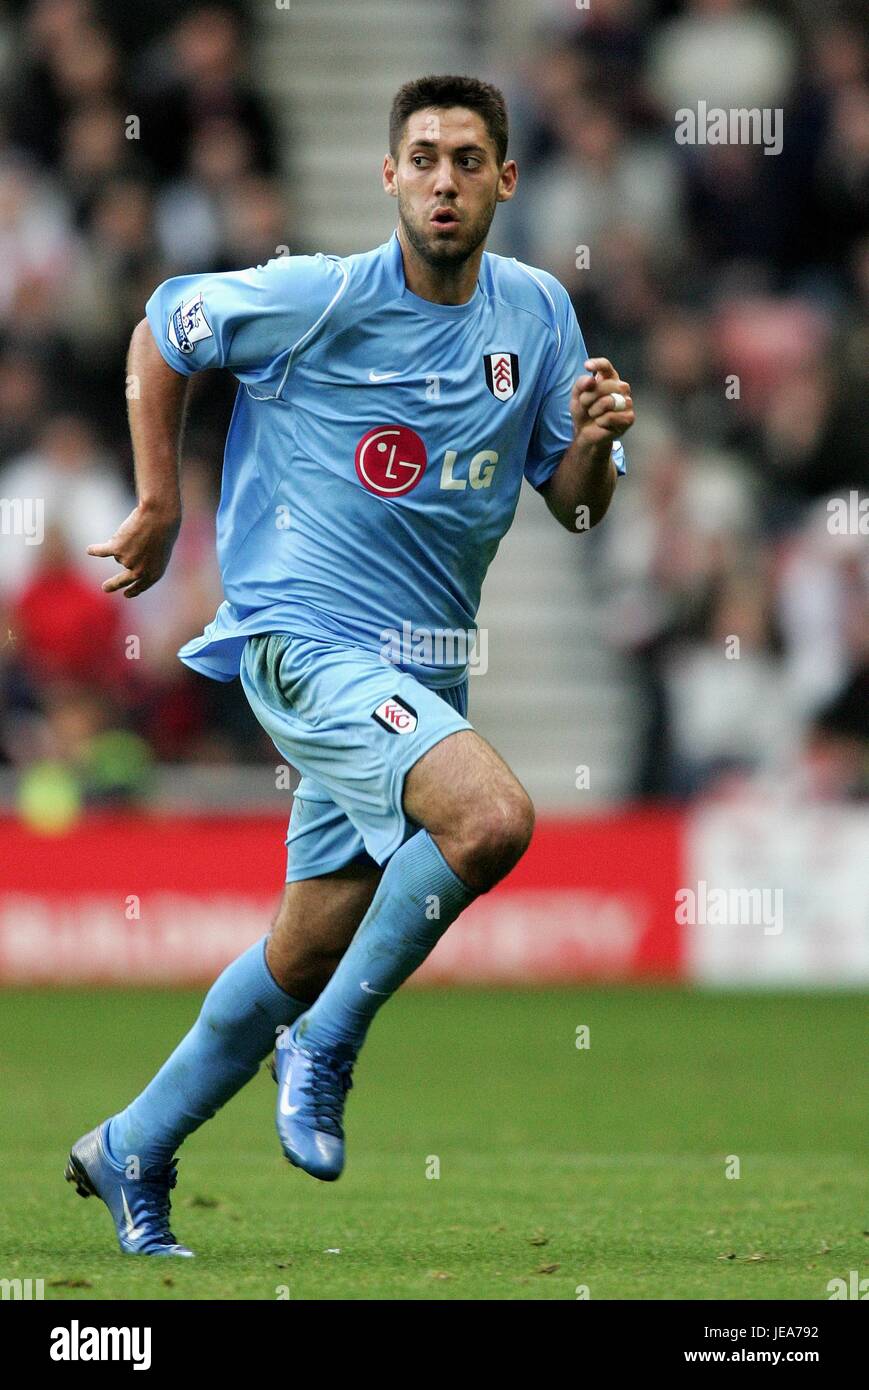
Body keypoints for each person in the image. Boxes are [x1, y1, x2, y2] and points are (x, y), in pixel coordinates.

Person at [65, 75, 634, 1257]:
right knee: (489, 819)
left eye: (467, 160)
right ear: (388, 177)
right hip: (301, 640)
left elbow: (573, 515)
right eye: (421, 158)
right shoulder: (317, 298)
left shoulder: (534, 316)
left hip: (425, 674)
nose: (442, 179)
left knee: (308, 936)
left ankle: (131, 1144)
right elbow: (161, 327)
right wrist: (163, 504)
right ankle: (322, 1045)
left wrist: (588, 447)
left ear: (504, 182)